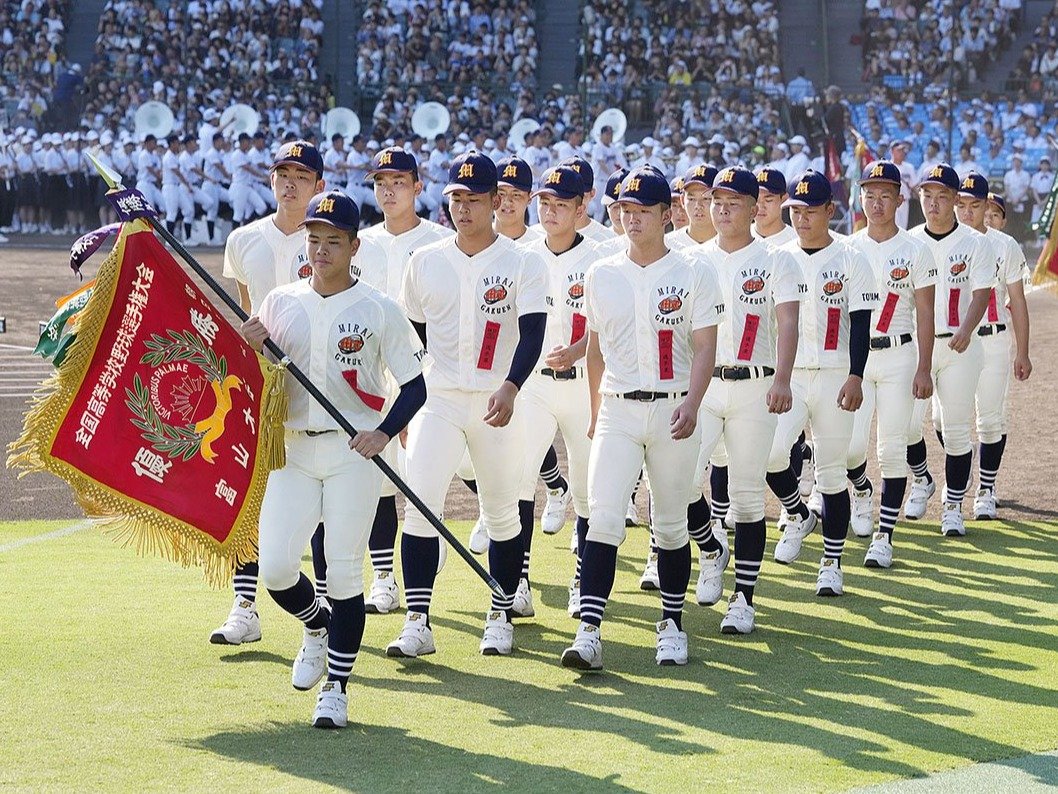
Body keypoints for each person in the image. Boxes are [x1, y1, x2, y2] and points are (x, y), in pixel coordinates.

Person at [242, 189, 426, 729]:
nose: (321, 250)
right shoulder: (278, 301)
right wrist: (250, 344)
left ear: (353, 247)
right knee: (276, 567)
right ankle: (316, 627)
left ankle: (338, 689)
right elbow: (252, 380)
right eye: (314, 240)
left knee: (344, 573)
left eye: (333, 242)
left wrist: (384, 433)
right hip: (293, 450)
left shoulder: (378, 307)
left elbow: (415, 387)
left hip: (353, 455)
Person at [388, 151, 548, 658]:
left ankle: (499, 614)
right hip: (439, 399)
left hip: (496, 402)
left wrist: (511, 385)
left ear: (496, 201)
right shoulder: (426, 260)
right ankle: (418, 621)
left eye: (474, 199)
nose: (462, 208)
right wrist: (418, 392)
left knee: (501, 512)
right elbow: (413, 330)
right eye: (455, 197)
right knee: (418, 506)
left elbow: (533, 333)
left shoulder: (523, 261)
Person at [561, 167, 720, 671]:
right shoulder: (601, 272)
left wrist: (693, 403)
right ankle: (589, 632)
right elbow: (595, 349)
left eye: (643, 211)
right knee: (603, 516)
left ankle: (671, 624)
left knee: (670, 525)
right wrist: (593, 412)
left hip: (673, 407)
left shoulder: (694, 270)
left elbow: (705, 347)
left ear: (666, 214)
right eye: (625, 210)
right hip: (618, 407)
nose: (632, 219)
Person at [211, 140, 329, 645]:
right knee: (251, 487)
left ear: (318, 185)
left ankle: (326, 596)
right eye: (283, 172)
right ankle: (244, 604)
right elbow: (244, 311)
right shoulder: (244, 239)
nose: (290, 182)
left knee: (324, 484)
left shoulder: (330, 238)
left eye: (301, 175)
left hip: (319, 379)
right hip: (261, 384)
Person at [349, 146, 454, 614]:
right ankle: (385, 578)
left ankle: (430, 544)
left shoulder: (440, 242)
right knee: (377, 480)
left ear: (417, 185)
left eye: (398, 182)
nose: (388, 190)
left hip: (425, 376)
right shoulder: (360, 243)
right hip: (372, 375)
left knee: (422, 476)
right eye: (380, 183)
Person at [763, 171, 876, 598]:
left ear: (831, 210)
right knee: (772, 457)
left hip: (833, 375)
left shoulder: (851, 257)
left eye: (811, 211)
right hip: (789, 377)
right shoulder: (777, 256)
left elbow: (861, 324)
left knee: (831, 472)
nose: (802, 219)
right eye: (795, 211)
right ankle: (797, 514)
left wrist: (855, 374)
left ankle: (831, 563)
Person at [515, 165, 598, 620]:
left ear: (580, 207)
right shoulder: (522, 253)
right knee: (521, 481)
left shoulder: (602, 256)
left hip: (584, 383)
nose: (549, 211)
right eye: (544, 202)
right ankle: (520, 580)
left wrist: (581, 349)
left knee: (586, 489)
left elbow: (609, 324)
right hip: (536, 386)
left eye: (560, 204)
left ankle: (582, 578)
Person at [844, 161, 936, 569]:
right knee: (849, 448)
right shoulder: (847, 247)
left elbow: (926, 312)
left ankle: (884, 536)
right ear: (860, 198)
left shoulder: (916, 249)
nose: (877, 203)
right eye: (870, 194)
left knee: (892, 447)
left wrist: (924, 367)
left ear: (900, 199)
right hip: (857, 358)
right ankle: (861, 490)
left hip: (900, 354)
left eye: (885, 195)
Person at [903, 164, 994, 536]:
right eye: (928, 196)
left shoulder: (976, 243)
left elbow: (982, 291)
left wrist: (966, 330)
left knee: (955, 429)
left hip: (958, 347)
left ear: (956, 200)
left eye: (943, 197)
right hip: (914, 348)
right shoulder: (907, 240)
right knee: (907, 427)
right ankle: (923, 479)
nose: (934, 204)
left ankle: (953, 504)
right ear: (918, 197)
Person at [965, 187, 1032, 520]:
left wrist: (1023, 351)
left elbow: (1017, 300)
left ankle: (985, 489)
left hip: (992, 337)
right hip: (955, 341)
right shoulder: (945, 241)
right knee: (942, 419)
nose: (972, 212)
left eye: (981, 207)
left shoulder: (1004, 245)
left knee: (990, 419)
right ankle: (960, 469)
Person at [666, 164, 716, 249]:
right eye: (692, 199)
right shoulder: (666, 245)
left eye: (706, 198)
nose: (698, 206)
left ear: (717, 201)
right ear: (683, 201)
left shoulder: (730, 244)